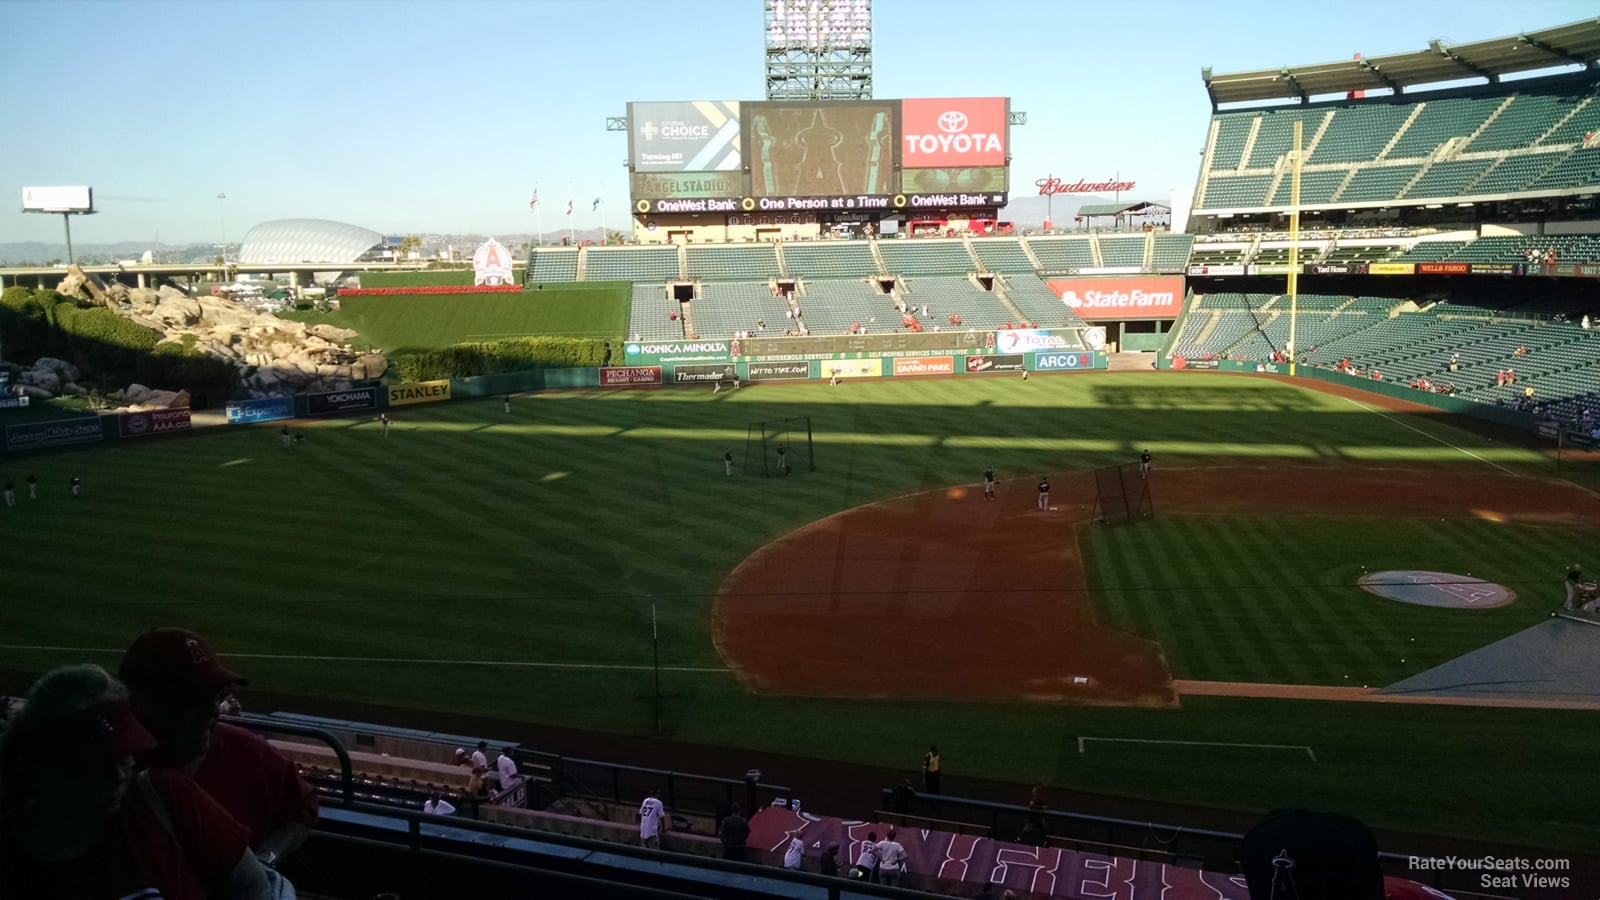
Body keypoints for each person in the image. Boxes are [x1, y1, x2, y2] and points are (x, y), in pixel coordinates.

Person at [0, 663, 271, 900]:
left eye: (124, 756)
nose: (117, 775)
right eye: (97, 764)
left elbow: (253, 887)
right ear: (45, 764)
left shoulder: (162, 796)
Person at [118, 627, 320, 874]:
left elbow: (302, 809)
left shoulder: (249, 752)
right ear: (142, 701)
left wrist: (264, 860)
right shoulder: (102, 767)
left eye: (216, 696)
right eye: (192, 698)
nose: (211, 710)